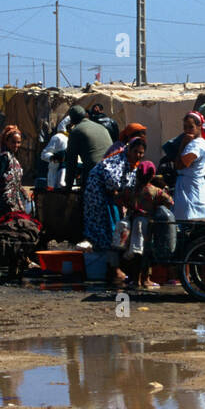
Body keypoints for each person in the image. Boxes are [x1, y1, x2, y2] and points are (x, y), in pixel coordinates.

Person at [84, 135, 147, 284]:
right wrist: (122, 200)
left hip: (112, 197)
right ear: (129, 150)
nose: (138, 155)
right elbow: (112, 183)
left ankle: (114, 267)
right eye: (136, 151)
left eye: (141, 153)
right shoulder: (118, 161)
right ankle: (111, 269)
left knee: (117, 229)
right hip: (99, 196)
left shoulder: (133, 166)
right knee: (108, 229)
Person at [124, 160, 174, 288]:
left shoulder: (131, 190)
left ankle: (135, 279)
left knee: (135, 252)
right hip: (148, 225)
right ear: (152, 175)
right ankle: (146, 279)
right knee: (146, 252)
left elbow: (119, 199)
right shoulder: (154, 191)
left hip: (134, 222)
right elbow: (170, 201)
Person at [173, 111, 205, 221]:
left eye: (191, 127)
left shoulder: (194, 145)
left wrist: (183, 144)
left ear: (199, 126)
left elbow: (180, 165)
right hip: (199, 185)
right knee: (201, 221)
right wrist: (200, 172)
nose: (187, 130)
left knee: (188, 220)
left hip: (188, 188)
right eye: (185, 127)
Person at [62, 105, 113, 190]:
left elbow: (71, 161)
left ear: (72, 119)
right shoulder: (100, 127)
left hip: (95, 172)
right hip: (113, 170)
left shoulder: (76, 131)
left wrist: (68, 186)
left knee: (86, 199)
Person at [0, 124, 31, 218]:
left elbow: (16, 182)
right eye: (13, 142)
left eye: (18, 142)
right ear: (6, 141)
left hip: (15, 202)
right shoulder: (3, 158)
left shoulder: (14, 159)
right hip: (4, 204)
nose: (16, 145)